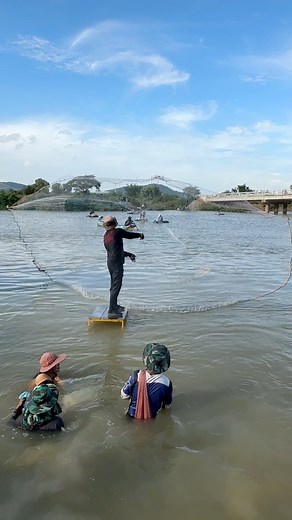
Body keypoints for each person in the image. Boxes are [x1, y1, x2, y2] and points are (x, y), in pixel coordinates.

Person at [11, 352, 67, 431]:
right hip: (42, 425)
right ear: (52, 367)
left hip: (23, 422)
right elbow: (53, 409)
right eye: (56, 364)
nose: (59, 365)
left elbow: (23, 402)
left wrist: (14, 416)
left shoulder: (41, 379)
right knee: (58, 422)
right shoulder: (47, 384)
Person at [103, 215, 144, 319]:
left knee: (114, 285)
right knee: (116, 286)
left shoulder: (106, 236)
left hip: (110, 262)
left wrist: (129, 254)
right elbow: (129, 235)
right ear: (115, 222)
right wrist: (140, 235)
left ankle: (114, 306)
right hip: (116, 263)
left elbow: (115, 251)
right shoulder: (117, 231)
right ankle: (112, 311)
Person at [121, 343, 172, 419]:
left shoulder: (136, 376)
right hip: (151, 418)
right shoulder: (167, 383)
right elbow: (167, 406)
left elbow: (124, 396)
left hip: (131, 416)